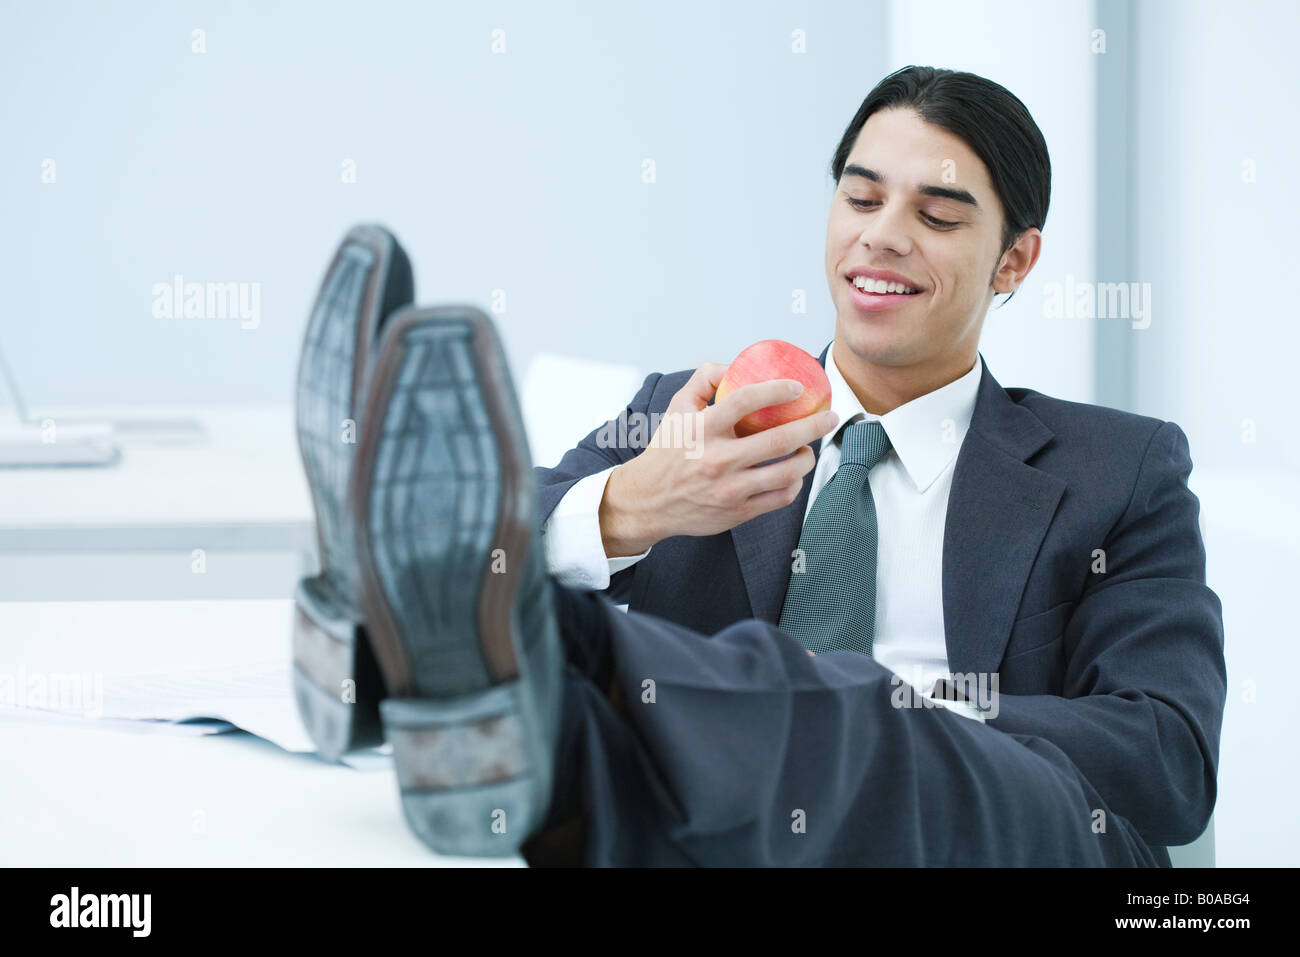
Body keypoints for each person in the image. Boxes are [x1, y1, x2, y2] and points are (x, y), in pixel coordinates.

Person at [291, 66, 1226, 867]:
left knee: (838, 708)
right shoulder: (693, 412)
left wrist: (903, 708)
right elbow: (517, 517)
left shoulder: (1120, 468)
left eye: (936, 215)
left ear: (1014, 261)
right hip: (717, 838)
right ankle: (433, 626)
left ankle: (426, 663)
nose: (882, 235)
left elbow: (1169, 755)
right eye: (860, 199)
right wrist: (629, 507)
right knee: (548, 636)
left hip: (991, 828)